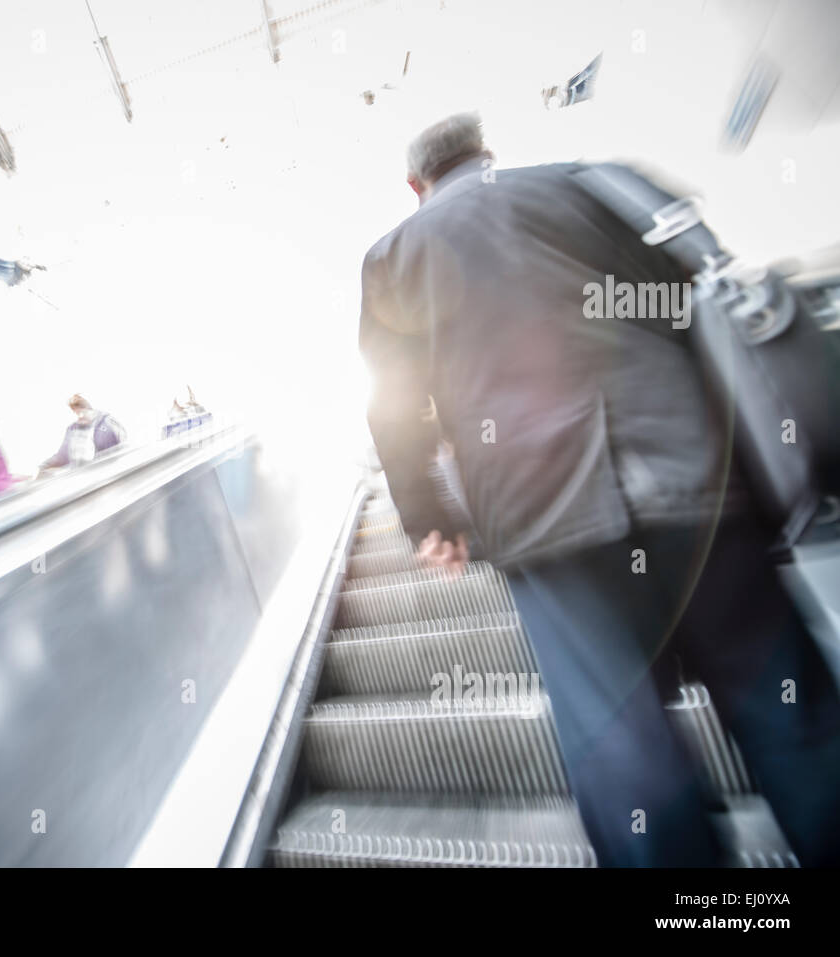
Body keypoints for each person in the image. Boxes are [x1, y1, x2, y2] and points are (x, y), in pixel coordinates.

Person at [358, 111, 840, 866]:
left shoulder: (395, 255)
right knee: (790, 708)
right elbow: (684, 307)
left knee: (623, 746)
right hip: (695, 481)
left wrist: (429, 516)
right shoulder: (581, 188)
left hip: (543, 512)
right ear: (489, 155)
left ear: (415, 185)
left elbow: (395, 401)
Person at [38, 394, 125, 472]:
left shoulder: (106, 424)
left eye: (81, 410)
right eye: (76, 412)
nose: (80, 415)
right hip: (82, 478)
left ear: (88, 408)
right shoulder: (73, 429)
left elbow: (116, 451)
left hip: (108, 473)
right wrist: (42, 467)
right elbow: (62, 457)